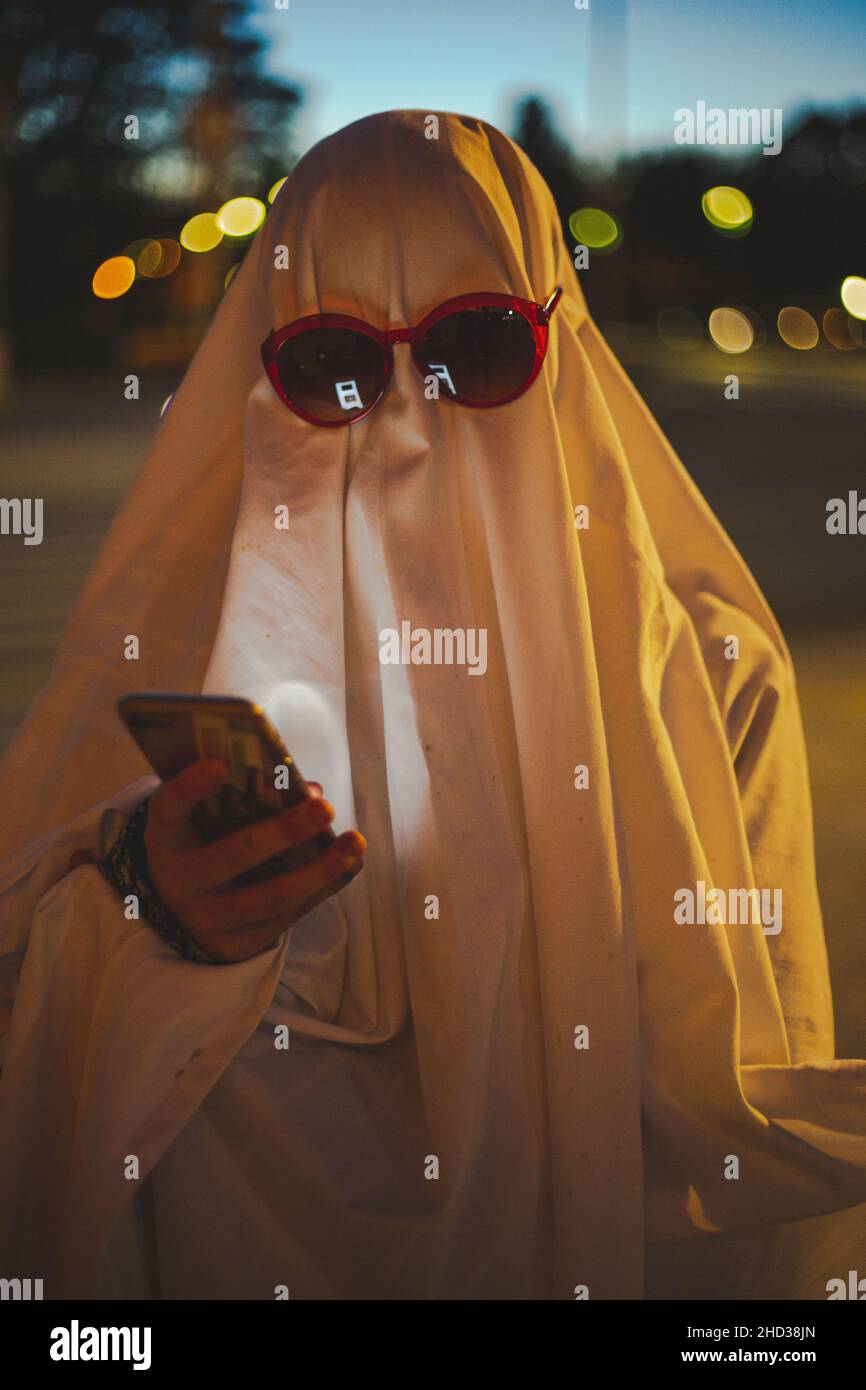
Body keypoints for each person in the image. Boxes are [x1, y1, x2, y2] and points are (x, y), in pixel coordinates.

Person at [1, 109, 865, 1302]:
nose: (405, 411)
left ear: (554, 335)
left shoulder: (711, 674)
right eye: (332, 364)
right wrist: (145, 896)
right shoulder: (161, 650)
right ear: (262, 368)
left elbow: (741, 1098)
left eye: (475, 347)